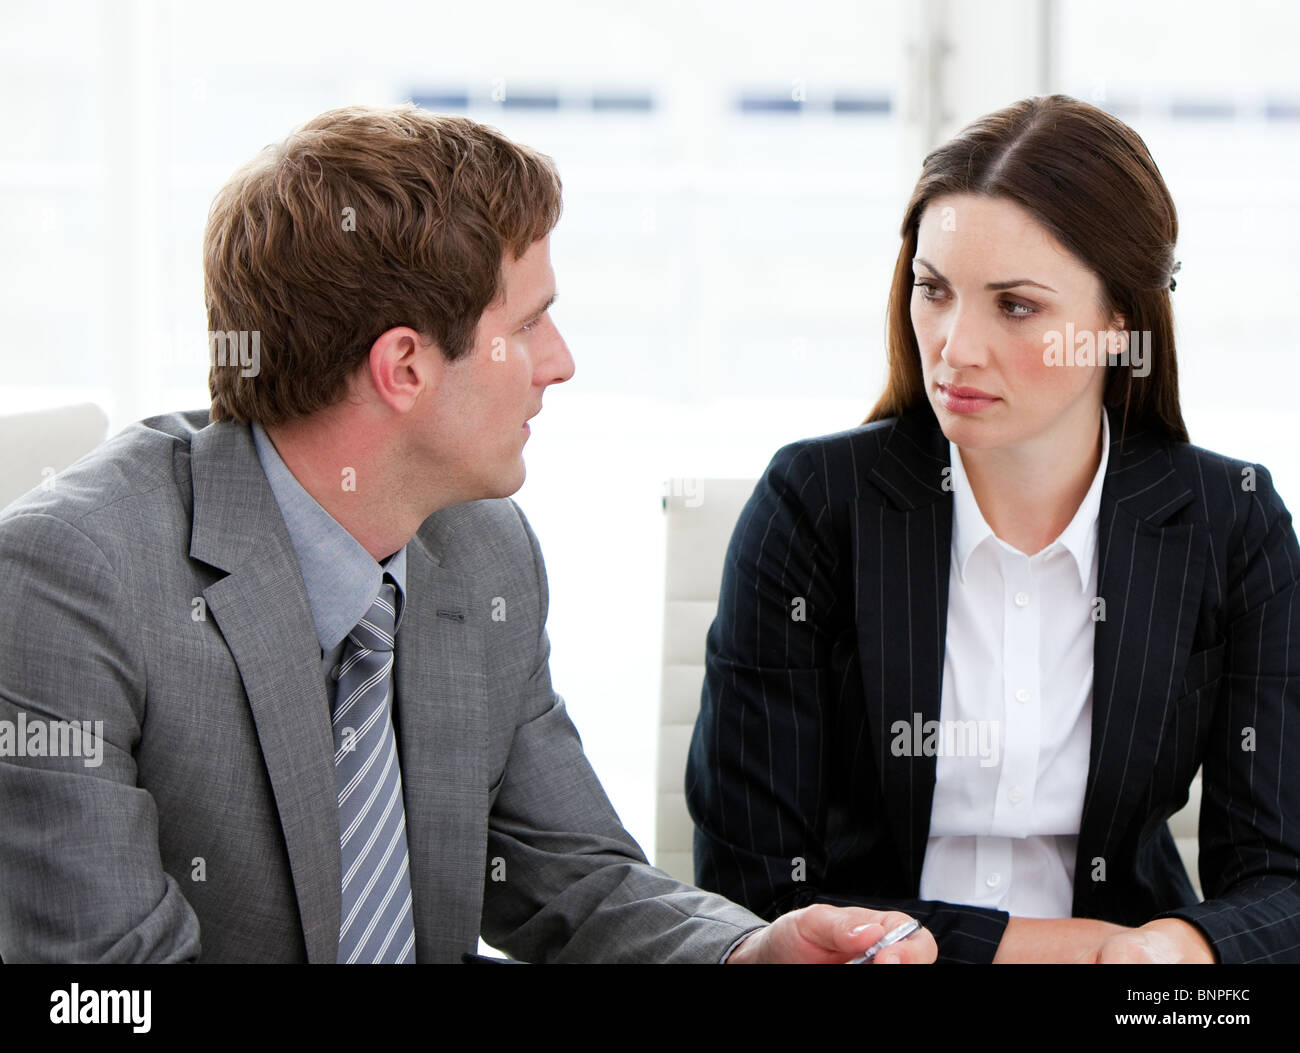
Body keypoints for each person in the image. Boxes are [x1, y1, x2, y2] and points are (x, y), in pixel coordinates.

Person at [0, 104, 937, 966]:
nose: (560, 363)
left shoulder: (483, 549)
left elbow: (572, 876)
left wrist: (749, 954)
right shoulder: (69, 581)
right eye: (529, 324)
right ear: (404, 367)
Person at [686, 94, 1300, 964]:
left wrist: (1167, 953)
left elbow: (1282, 881)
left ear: (1119, 324)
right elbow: (755, 892)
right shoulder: (813, 505)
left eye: (1015, 306)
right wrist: (1083, 949)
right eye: (933, 290)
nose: (955, 346)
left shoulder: (1232, 521)